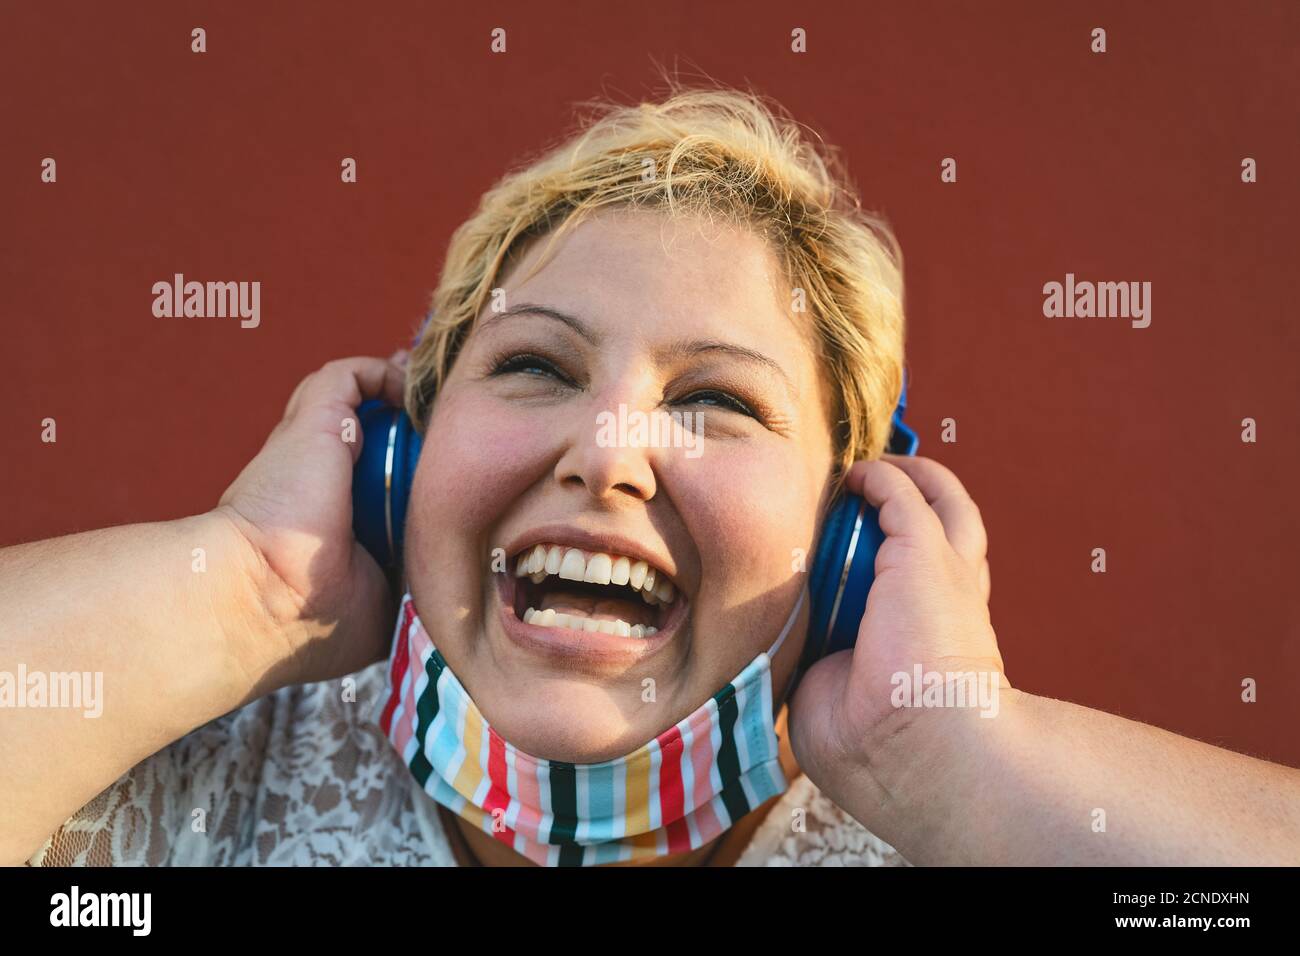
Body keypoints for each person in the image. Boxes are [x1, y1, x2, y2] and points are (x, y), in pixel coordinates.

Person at [3, 83, 1298, 867]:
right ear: (397, 468)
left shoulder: (970, 836)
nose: (609, 449)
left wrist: (959, 757)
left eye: (718, 400)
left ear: (852, 538)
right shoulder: (191, 790)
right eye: (534, 369)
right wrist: (243, 587)